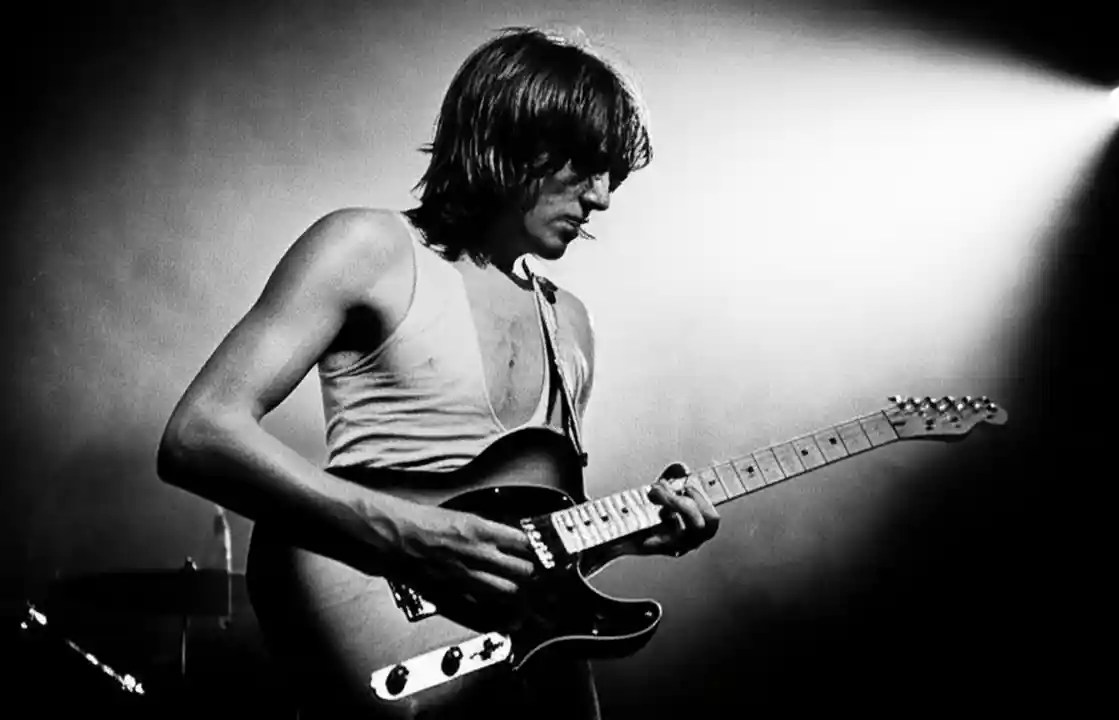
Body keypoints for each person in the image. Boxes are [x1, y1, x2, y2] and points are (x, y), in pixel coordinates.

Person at [155, 26, 720, 719]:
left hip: (540, 683)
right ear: (516, 138)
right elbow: (198, 435)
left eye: (613, 179)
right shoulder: (371, 247)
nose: (601, 199)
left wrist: (627, 535)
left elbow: (523, 546)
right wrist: (412, 535)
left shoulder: (570, 323)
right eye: (586, 167)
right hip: (383, 649)